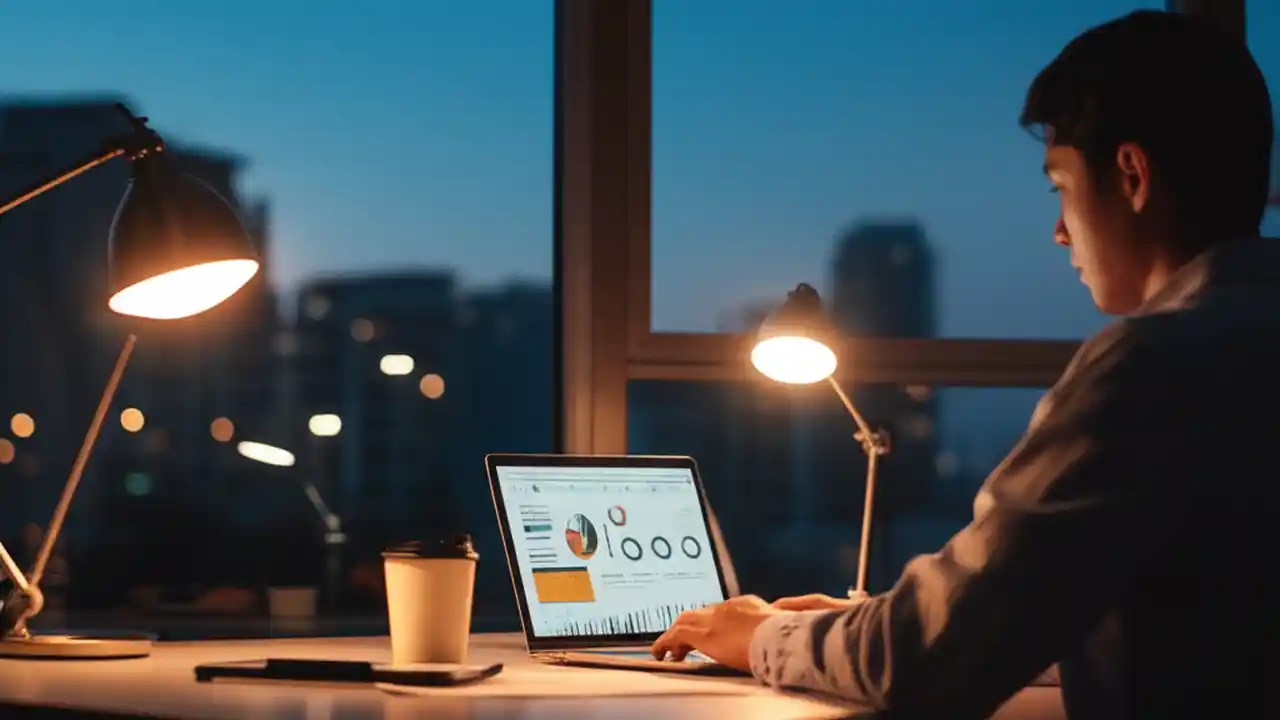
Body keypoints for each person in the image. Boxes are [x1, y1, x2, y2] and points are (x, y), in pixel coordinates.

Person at [651, 10, 1277, 718]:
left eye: (1061, 188)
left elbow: (928, 660)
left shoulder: (1157, 367)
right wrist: (853, 625)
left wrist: (766, 636)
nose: (1059, 230)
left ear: (1131, 176)